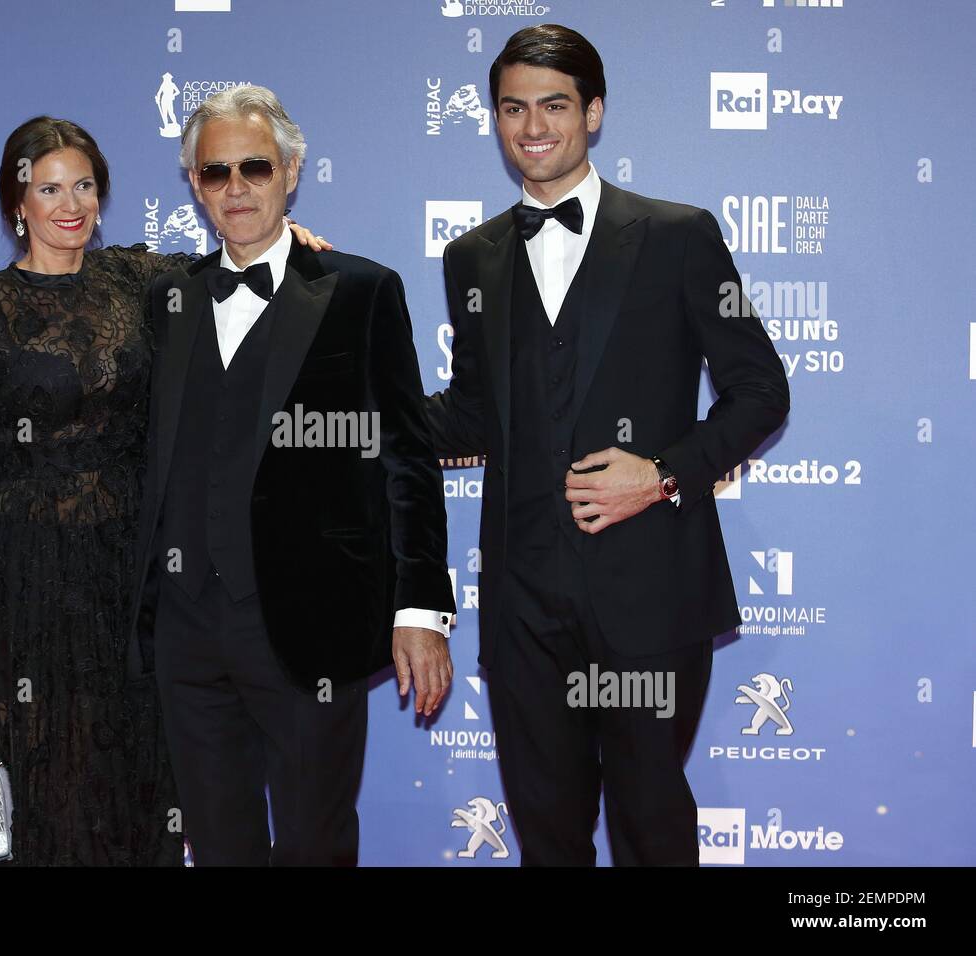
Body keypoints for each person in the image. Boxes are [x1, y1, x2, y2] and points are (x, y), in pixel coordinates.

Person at [0, 115, 327, 866]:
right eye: (50, 188)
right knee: (37, 791)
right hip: (23, 592)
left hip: (133, 585)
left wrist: (293, 244)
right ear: (16, 203)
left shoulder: (138, 283)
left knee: (137, 787)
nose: (71, 205)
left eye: (85, 186)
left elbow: (234, 266)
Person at [425, 25, 790, 865]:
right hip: (524, 602)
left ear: (593, 113)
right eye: (512, 107)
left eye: (554, 104)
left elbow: (762, 391)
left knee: (651, 828)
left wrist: (663, 476)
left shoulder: (677, 235)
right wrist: (332, 351)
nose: (532, 126)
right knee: (548, 837)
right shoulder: (472, 257)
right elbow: (473, 418)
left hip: (651, 590)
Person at [133, 85, 456, 866]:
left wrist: (421, 608)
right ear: (194, 185)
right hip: (186, 632)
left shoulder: (361, 290)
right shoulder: (162, 298)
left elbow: (407, 457)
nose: (236, 188)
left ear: (292, 171)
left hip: (313, 626)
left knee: (315, 843)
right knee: (217, 846)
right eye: (215, 173)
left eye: (255, 167)